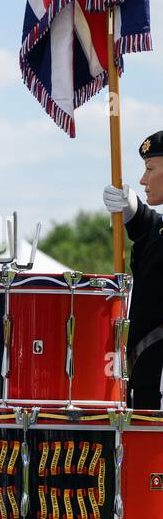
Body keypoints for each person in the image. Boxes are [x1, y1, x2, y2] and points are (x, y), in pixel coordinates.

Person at [104, 132, 163, 408]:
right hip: (146, 377)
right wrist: (131, 207)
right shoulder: (158, 229)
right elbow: (151, 230)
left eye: (150, 169)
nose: (143, 180)